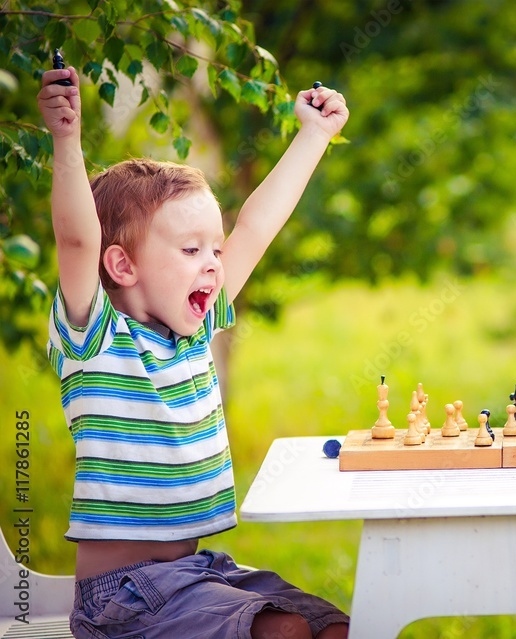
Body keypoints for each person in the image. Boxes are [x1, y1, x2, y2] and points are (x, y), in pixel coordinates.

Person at [38, 61, 350, 639]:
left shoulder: (194, 330)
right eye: (190, 249)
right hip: (122, 601)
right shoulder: (95, 337)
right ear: (122, 264)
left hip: (196, 572)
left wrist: (314, 135)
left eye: (214, 247)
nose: (213, 261)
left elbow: (256, 226)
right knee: (284, 633)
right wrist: (66, 141)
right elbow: (77, 238)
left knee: (335, 627)